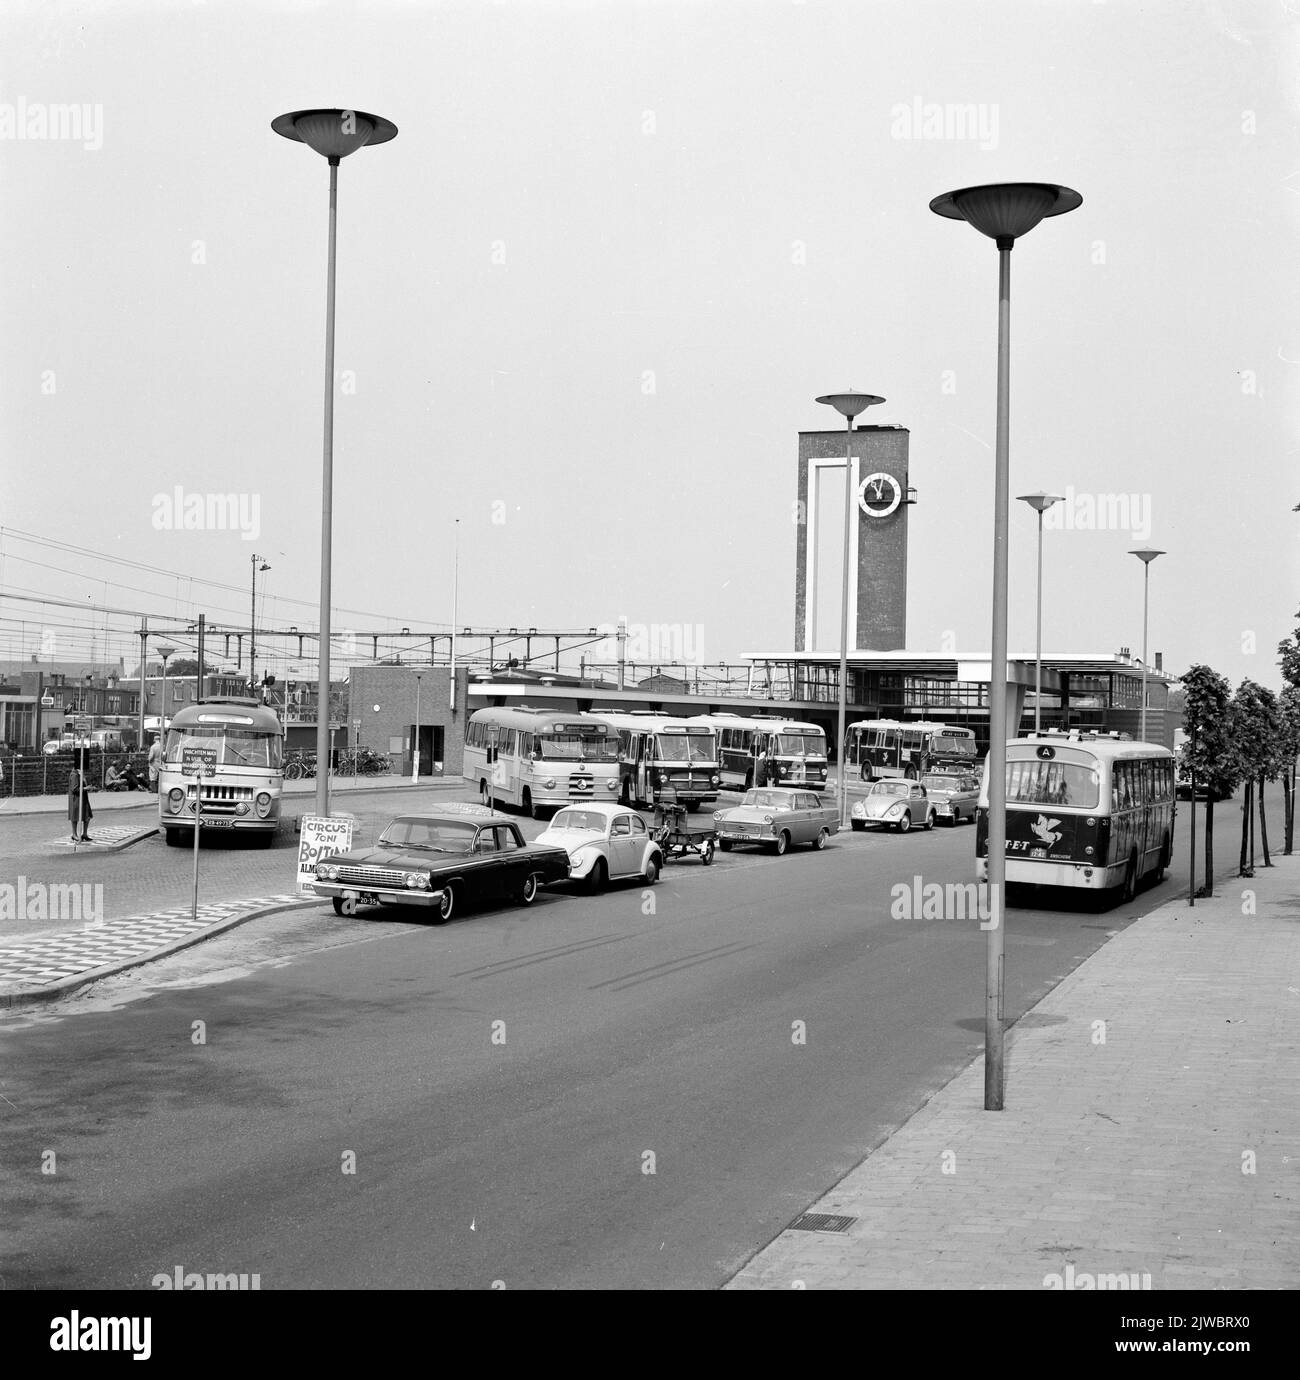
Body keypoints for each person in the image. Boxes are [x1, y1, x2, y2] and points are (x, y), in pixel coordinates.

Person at [68, 755, 93, 842]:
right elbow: (74, 789)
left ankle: (84, 834)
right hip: (77, 799)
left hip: (83, 798)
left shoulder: (80, 774)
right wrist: (86, 788)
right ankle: (74, 834)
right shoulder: (74, 774)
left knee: (87, 816)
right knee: (75, 817)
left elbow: (84, 784)